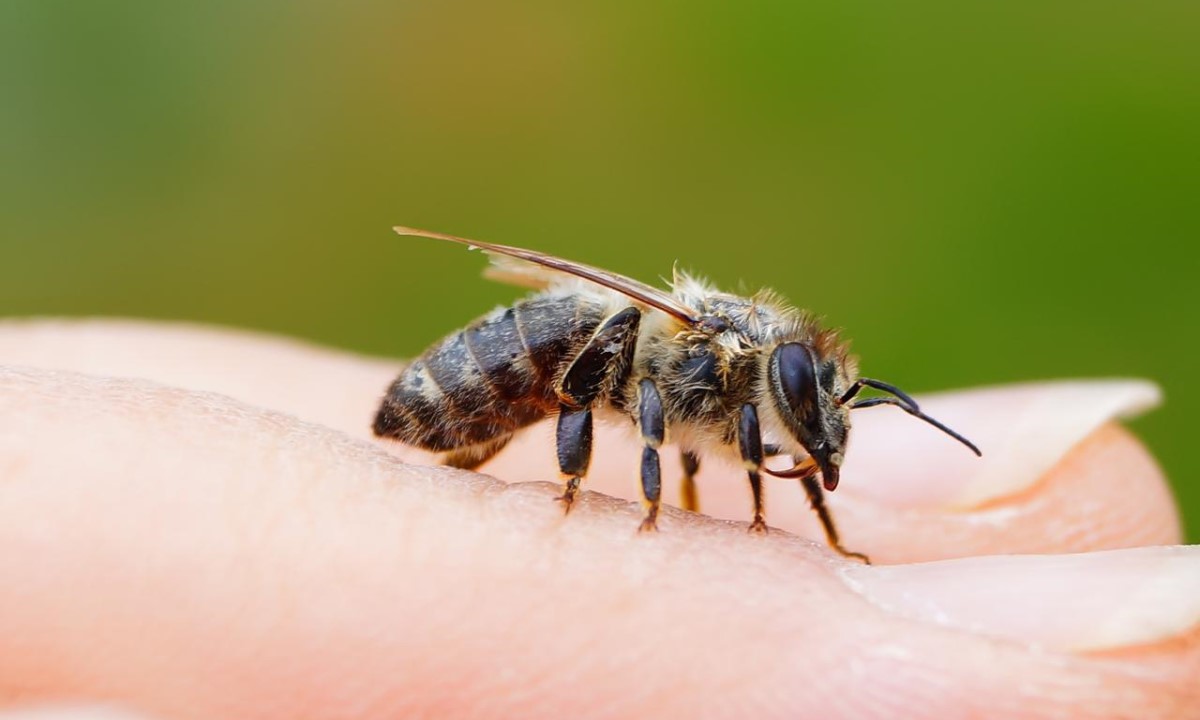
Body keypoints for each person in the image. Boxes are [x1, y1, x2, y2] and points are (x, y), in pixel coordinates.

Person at [0, 320, 1195, 719]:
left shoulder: (732, 392)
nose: (812, 433)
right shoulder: (698, 355)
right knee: (589, 372)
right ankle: (564, 489)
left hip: (536, 381)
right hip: (497, 375)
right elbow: (614, 386)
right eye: (806, 409)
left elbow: (692, 435)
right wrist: (580, 498)